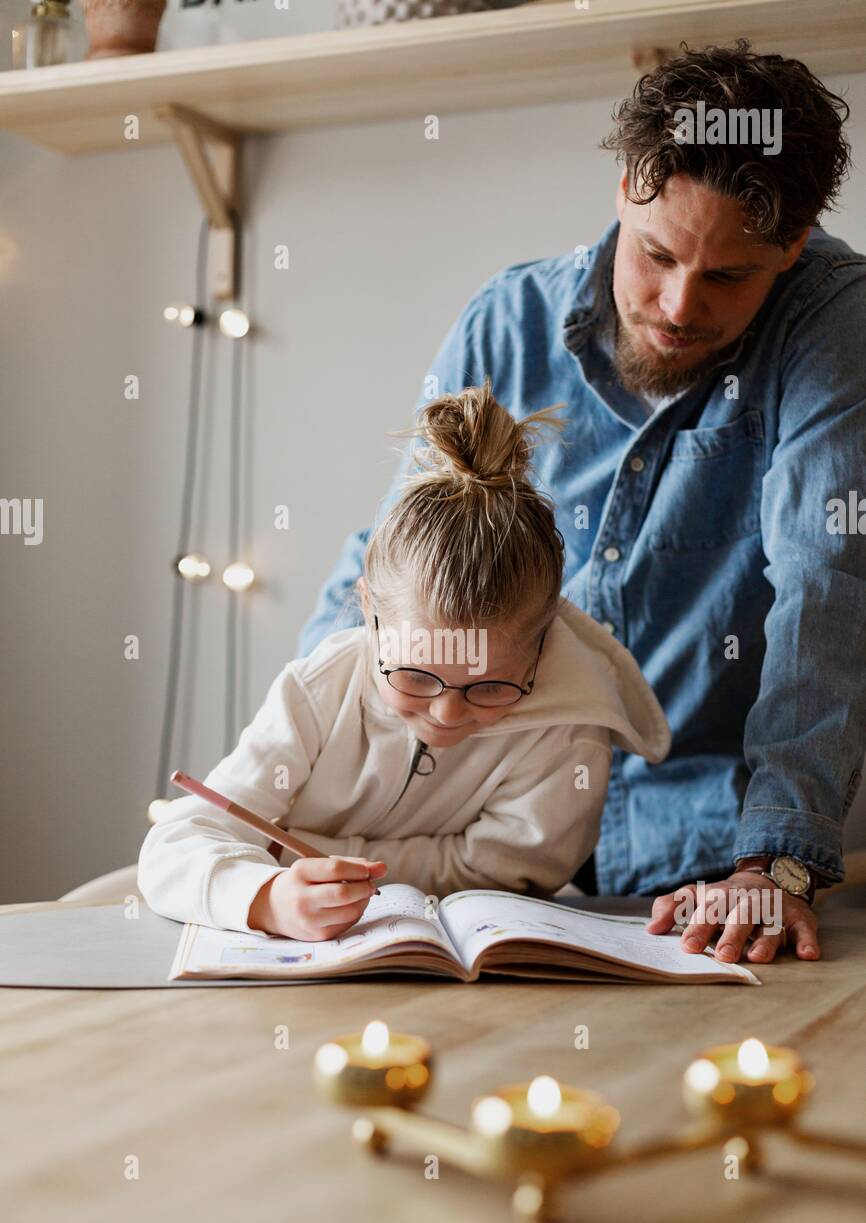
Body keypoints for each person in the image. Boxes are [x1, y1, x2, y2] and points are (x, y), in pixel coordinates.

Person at [296, 39, 866, 967]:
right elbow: (399, 562)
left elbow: (828, 581)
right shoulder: (507, 319)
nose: (681, 305)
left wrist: (778, 862)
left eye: (730, 277)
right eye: (658, 254)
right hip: (468, 814)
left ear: (794, 246)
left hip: (703, 863)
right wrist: (293, 764)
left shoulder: (836, 322)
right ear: (628, 185)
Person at [138, 384, 670, 940]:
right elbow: (176, 844)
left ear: (543, 645)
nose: (445, 714)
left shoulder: (571, 732)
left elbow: (507, 874)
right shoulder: (322, 688)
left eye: (489, 687)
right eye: (416, 676)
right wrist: (265, 897)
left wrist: (297, 850)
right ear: (370, 613)